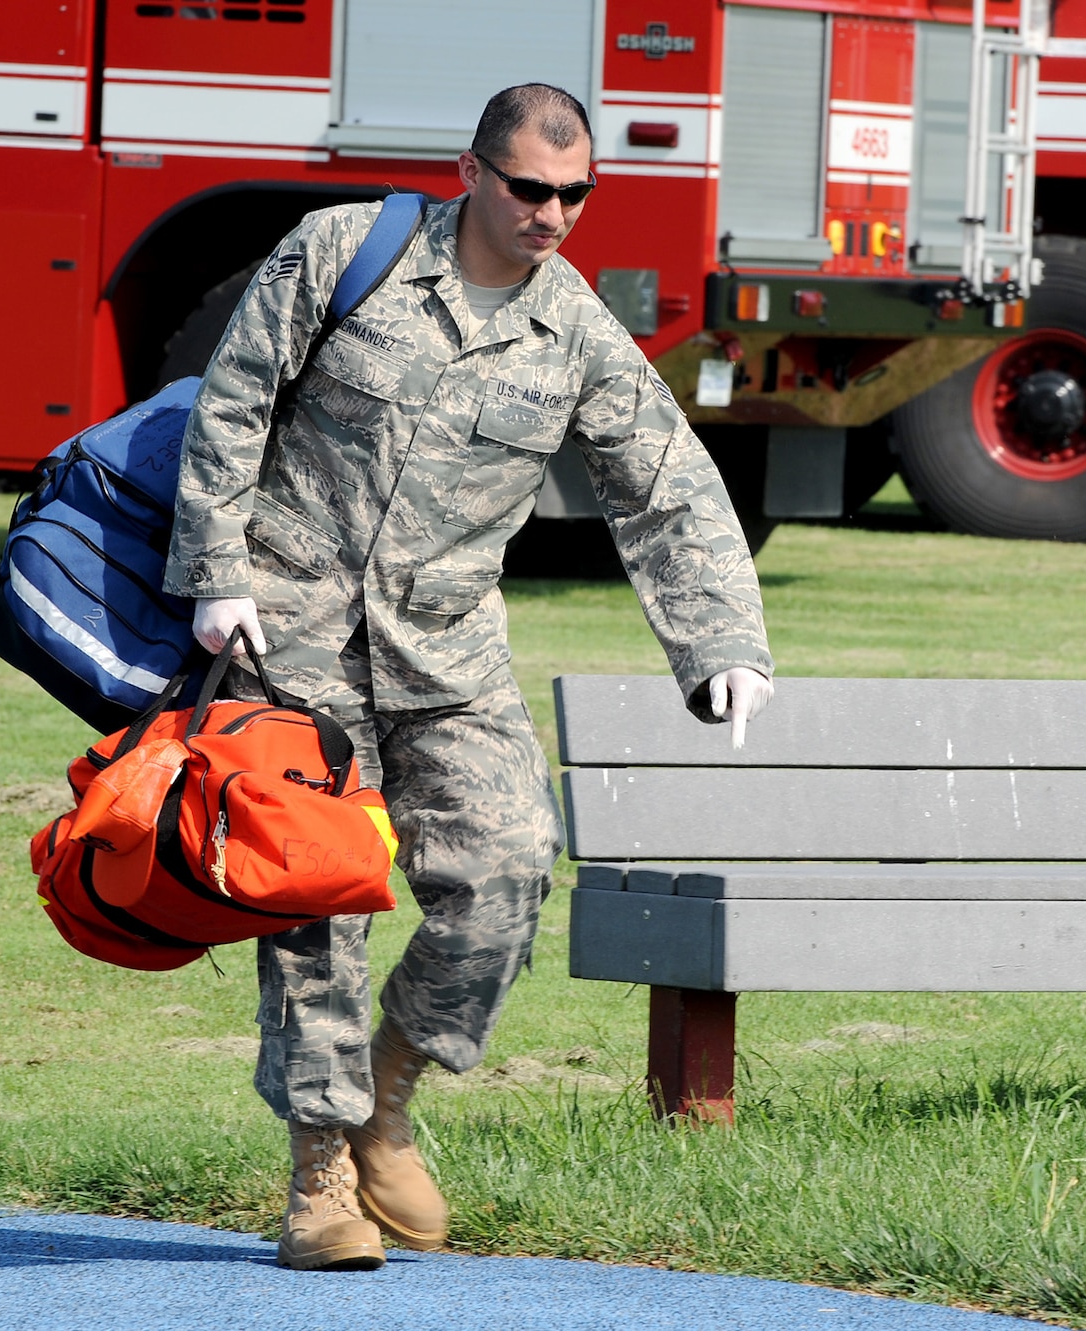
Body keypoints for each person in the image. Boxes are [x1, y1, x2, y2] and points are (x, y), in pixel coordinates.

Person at [163, 83, 774, 1272]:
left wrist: (722, 643)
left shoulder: (576, 332)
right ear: (474, 173)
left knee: (504, 869)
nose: (553, 214)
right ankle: (320, 1174)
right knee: (316, 899)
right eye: (531, 189)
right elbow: (232, 400)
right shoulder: (347, 251)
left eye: (575, 194)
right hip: (291, 640)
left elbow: (666, 485)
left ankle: (389, 1089)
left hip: (445, 653)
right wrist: (214, 569)